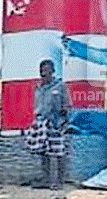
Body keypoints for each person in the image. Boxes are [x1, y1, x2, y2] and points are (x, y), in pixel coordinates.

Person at [24, 59, 71, 190]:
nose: (44, 73)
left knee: (58, 152)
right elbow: (37, 105)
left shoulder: (60, 86)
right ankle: (46, 179)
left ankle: (60, 181)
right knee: (43, 151)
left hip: (56, 122)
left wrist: (64, 119)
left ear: (53, 71)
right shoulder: (38, 88)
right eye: (42, 71)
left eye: (47, 70)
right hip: (41, 122)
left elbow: (67, 104)